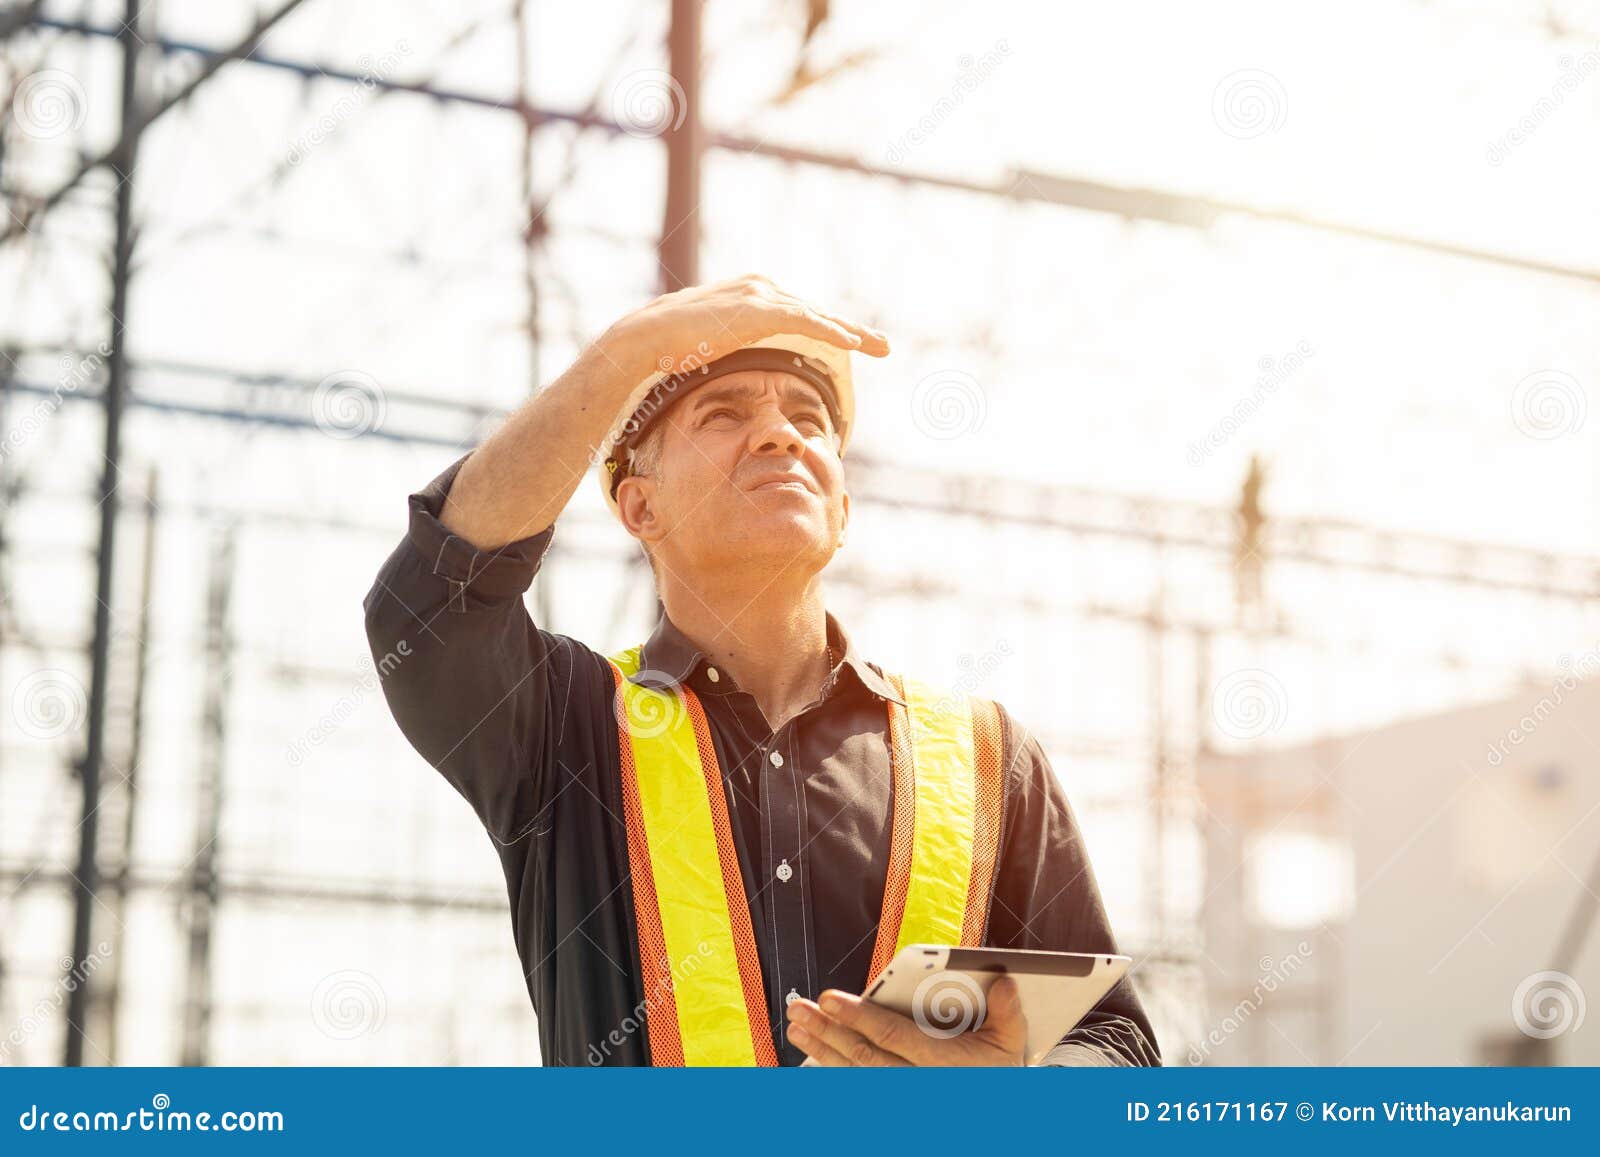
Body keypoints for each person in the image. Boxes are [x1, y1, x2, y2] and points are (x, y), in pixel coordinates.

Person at [362, 274, 1161, 1066]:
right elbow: (430, 606)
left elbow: (1114, 1043)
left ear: (842, 511)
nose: (781, 434)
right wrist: (626, 352)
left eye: (807, 417)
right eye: (724, 412)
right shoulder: (564, 727)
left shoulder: (988, 759)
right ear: (641, 508)